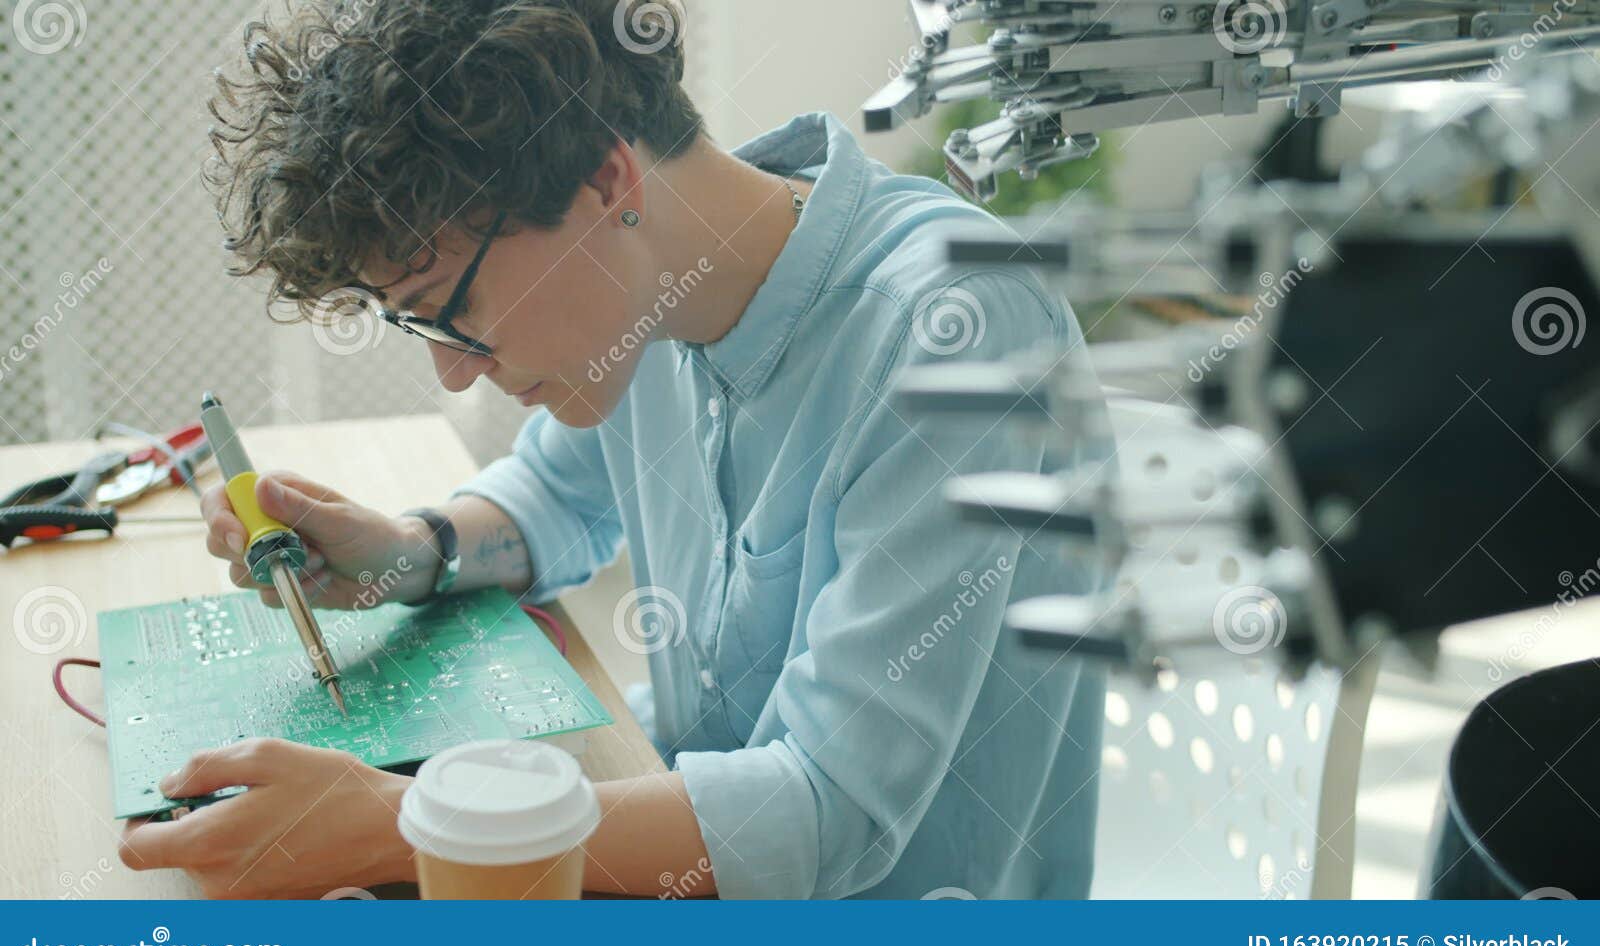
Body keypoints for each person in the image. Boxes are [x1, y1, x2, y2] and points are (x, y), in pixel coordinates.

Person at [118, 0, 1110, 899]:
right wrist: (407, 552)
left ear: (604, 180)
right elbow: (553, 494)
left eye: (449, 315)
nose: (455, 376)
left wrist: (400, 826)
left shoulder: (952, 327)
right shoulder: (658, 293)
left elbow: (828, 815)